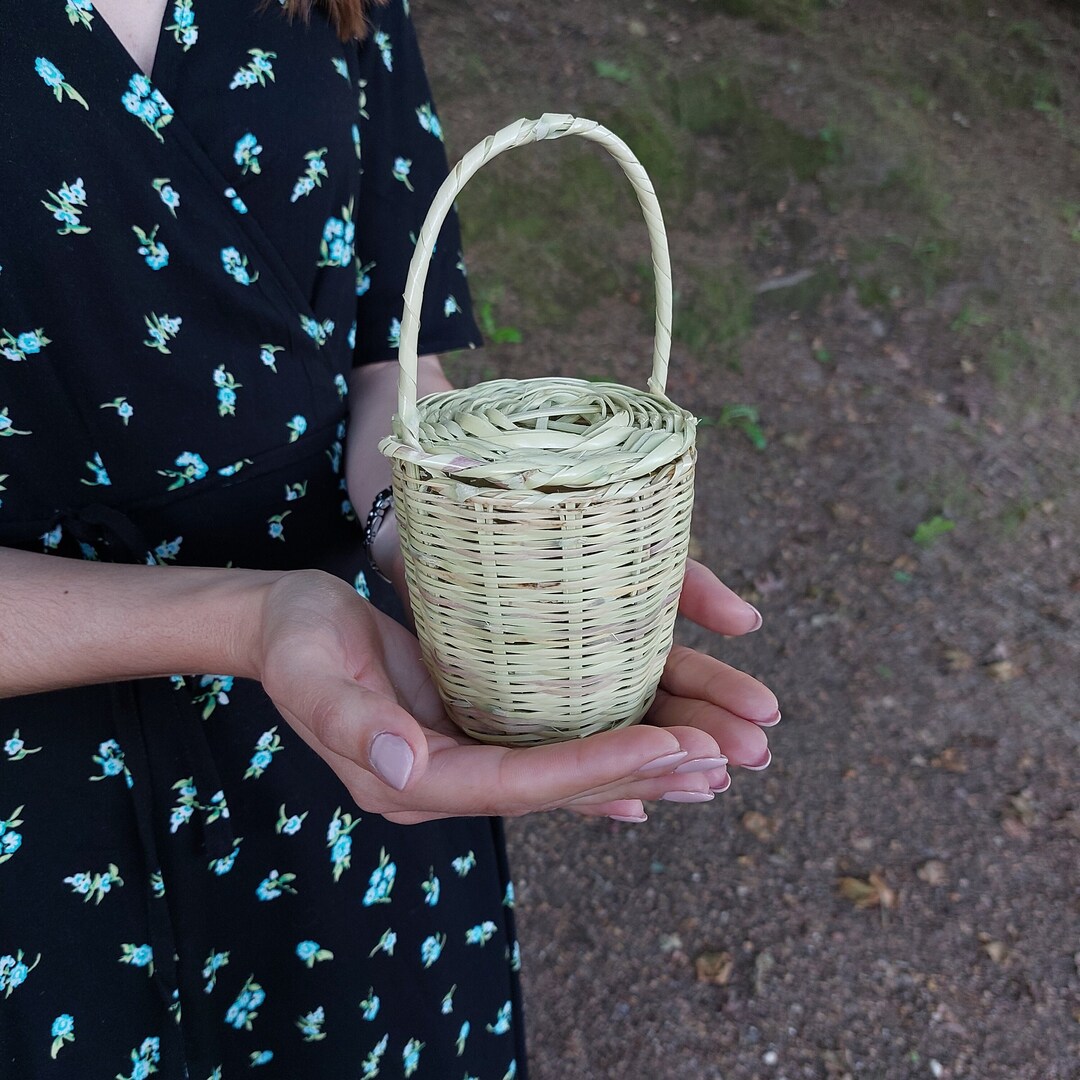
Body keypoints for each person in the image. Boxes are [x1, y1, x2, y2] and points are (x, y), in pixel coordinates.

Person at [0, 0, 779, 1076]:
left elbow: (392, 372)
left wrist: (453, 557)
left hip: (358, 734)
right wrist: (252, 618)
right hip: (45, 809)